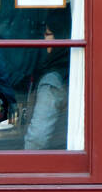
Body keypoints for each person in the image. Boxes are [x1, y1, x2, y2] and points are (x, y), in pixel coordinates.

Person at [22, 9, 71, 150]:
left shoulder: (51, 81)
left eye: (48, 34)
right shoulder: (75, 70)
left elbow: (37, 139)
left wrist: (22, 166)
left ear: (62, 36)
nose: (44, 39)